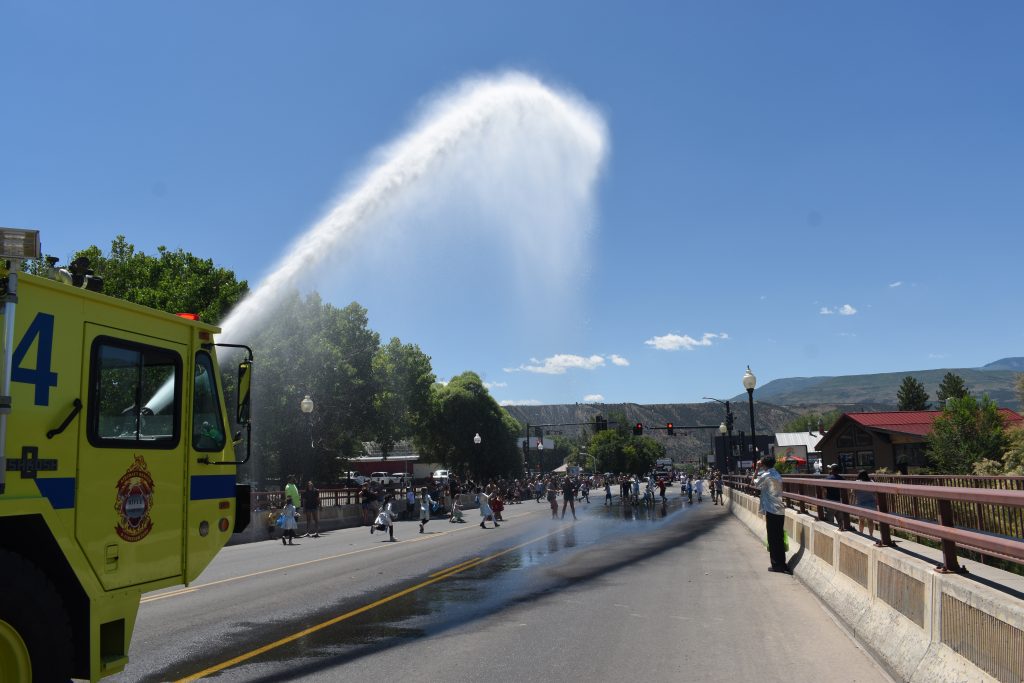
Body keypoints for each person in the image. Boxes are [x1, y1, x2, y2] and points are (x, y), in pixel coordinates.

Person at [752, 455, 789, 573]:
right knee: (779, 537)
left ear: (763, 464)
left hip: (771, 509)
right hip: (780, 508)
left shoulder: (765, 475)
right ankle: (782, 564)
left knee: (773, 538)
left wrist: (757, 469)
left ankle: (776, 566)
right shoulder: (777, 473)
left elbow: (754, 483)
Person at [853, 470, 877, 538]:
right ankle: (871, 535)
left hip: (861, 503)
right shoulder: (872, 482)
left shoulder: (857, 482)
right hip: (871, 503)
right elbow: (875, 492)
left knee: (861, 520)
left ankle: (861, 533)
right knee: (870, 521)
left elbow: (853, 492)